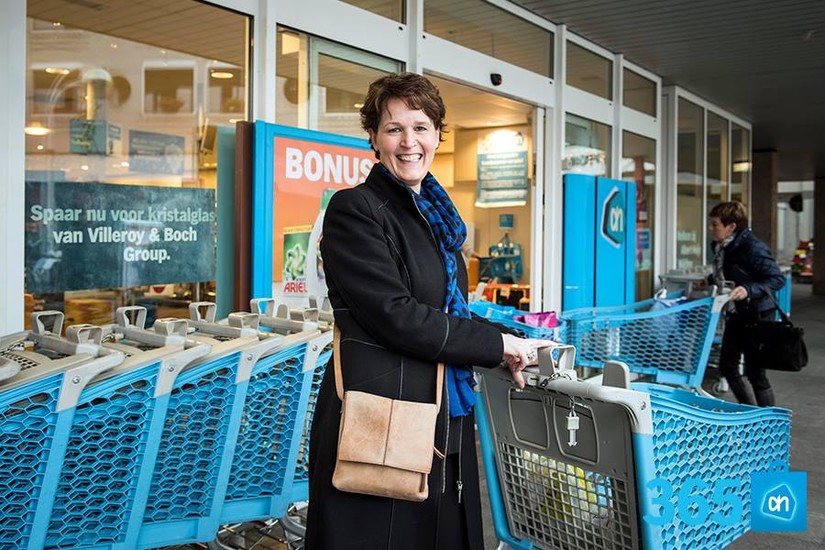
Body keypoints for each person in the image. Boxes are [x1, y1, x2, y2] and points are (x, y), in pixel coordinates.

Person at [305, 72, 553, 550]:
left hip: (441, 414)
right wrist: (496, 344)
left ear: (439, 135)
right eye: (394, 128)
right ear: (374, 139)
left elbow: (444, 309)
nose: (408, 141)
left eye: (420, 127)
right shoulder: (356, 210)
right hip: (383, 421)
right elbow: (396, 314)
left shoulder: (435, 220)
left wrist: (510, 341)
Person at [708, 201, 785, 407]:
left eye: (715, 224)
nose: (711, 228)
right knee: (728, 366)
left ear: (731, 226)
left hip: (757, 314)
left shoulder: (752, 247)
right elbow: (729, 272)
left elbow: (777, 279)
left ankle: (769, 422)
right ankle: (749, 411)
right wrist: (710, 280)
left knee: (755, 372)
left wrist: (748, 289)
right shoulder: (721, 246)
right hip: (737, 313)